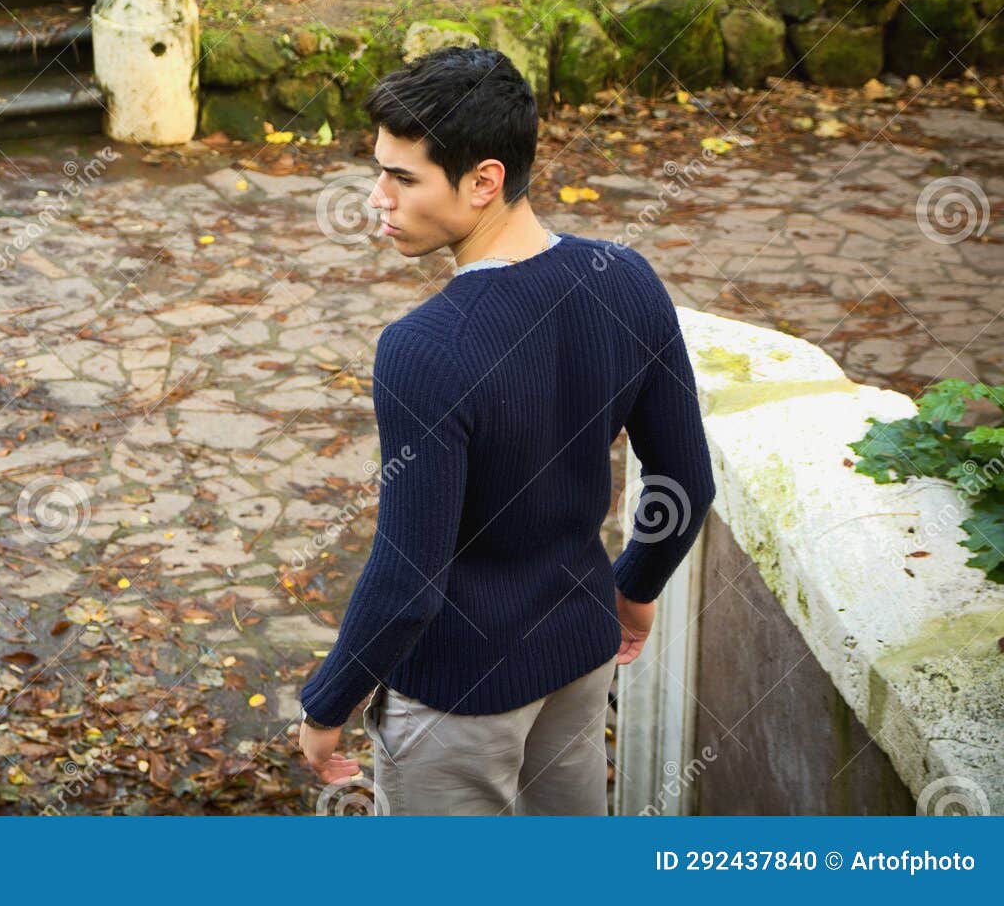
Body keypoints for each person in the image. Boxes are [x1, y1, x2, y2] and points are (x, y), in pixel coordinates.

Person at [296, 45, 717, 816]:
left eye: (403, 177)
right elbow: (688, 481)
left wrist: (328, 703)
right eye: (379, 170)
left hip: (458, 696)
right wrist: (633, 591)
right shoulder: (625, 278)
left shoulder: (425, 349)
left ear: (484, 180)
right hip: (581, 653)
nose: (376, 198)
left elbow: (409, 577)